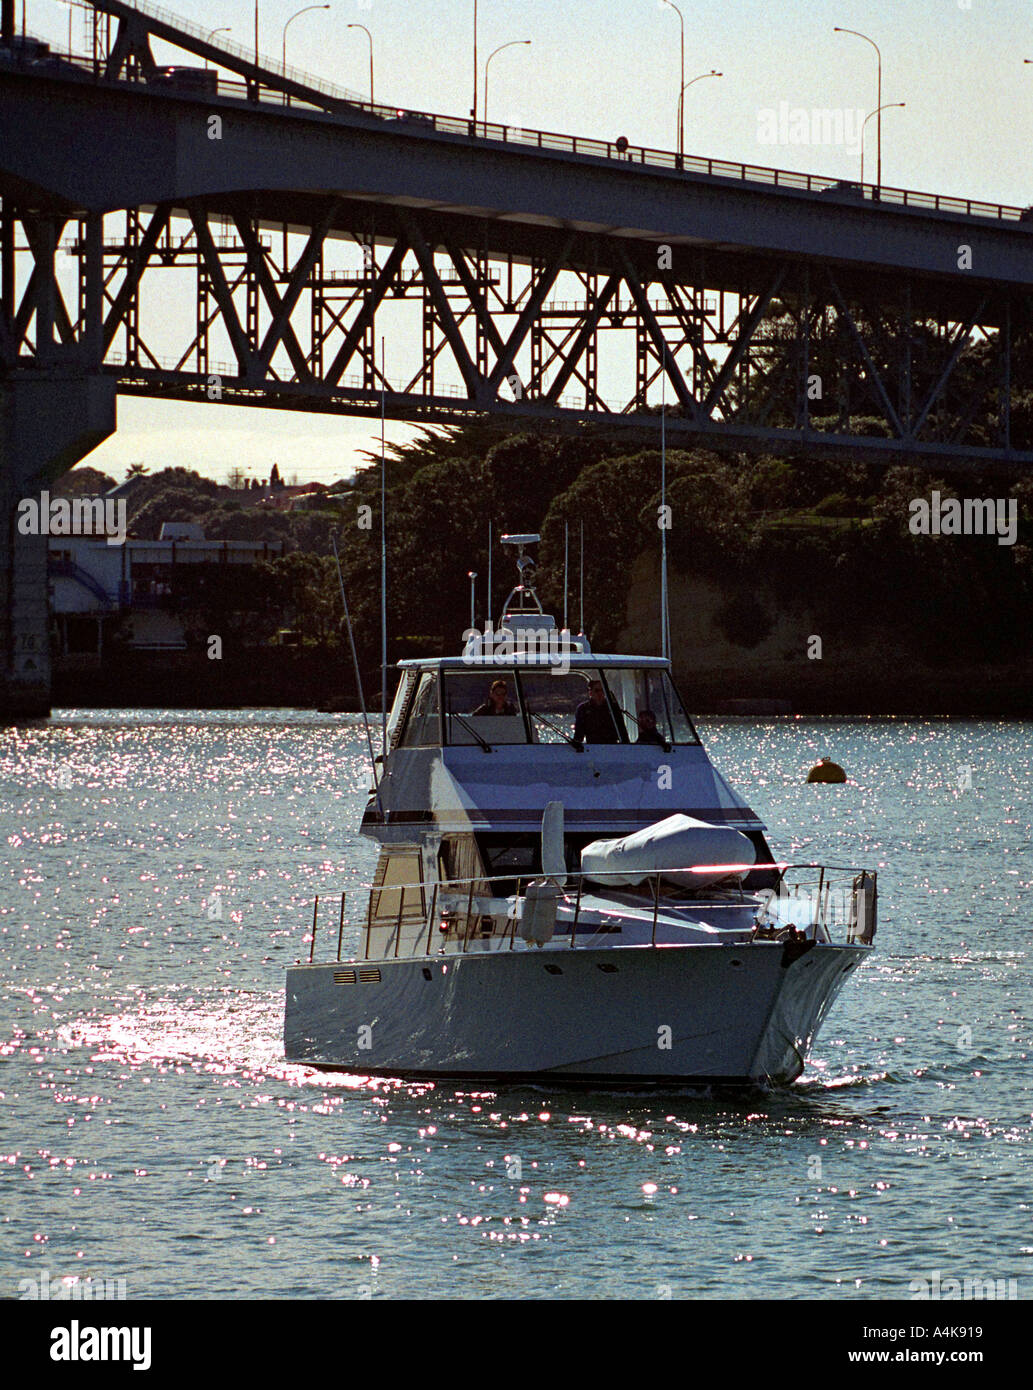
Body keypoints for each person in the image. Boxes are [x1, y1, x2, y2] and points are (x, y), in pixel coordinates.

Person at [573, 679, 620, 744]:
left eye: (602, 690)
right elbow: (578, 734)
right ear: (590, 693)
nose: (600, 693)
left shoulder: (613, 708)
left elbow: (622, 731)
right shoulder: (583, 709)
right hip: (593, 747)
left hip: (612, 747)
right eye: (597, 690)